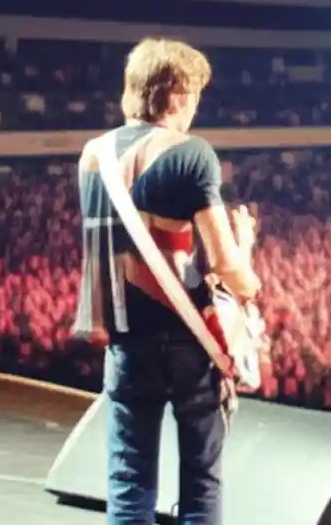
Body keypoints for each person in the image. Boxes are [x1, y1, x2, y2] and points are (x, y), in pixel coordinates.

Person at [72, 37, 262, 525]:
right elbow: (224, 264)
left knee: (130, 482)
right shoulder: (192, 154)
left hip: (126, 340)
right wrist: (246, 256)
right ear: (178, 94)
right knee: (201, 482)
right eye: (196, 94)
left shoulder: (92, 155)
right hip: (186, 341)